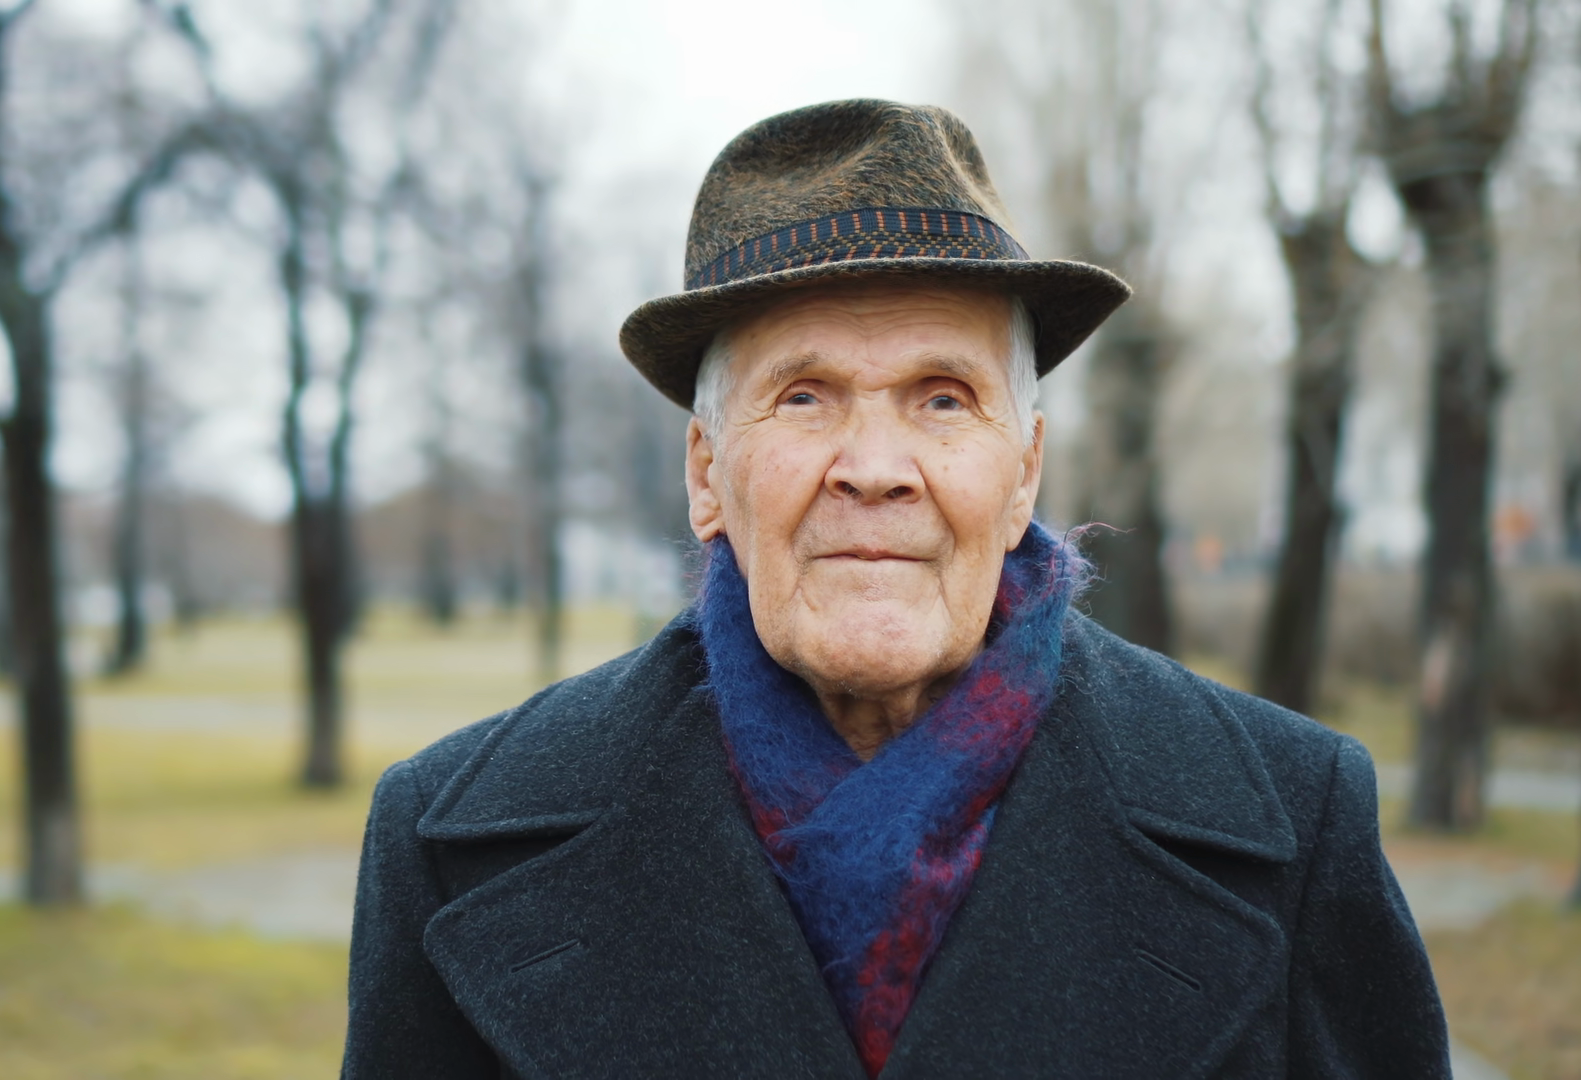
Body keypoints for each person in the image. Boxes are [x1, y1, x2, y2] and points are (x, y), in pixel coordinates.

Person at [341, 99, 1449, 1079]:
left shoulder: (1294, 824)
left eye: (944, 399)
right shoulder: (453, 843)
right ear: (705, 473)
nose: (874, 467)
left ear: (1024, 474)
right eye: (806, 397)